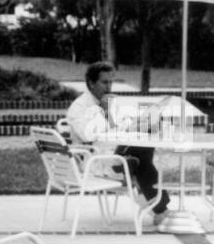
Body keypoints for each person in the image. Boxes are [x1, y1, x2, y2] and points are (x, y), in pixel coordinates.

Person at [66, 61, 170, 225]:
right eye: (104, 82)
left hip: (114, 155)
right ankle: (161, 209)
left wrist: (143, 123)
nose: (109, 87)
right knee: (141, 155)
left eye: (111, 82)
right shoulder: (79, 107)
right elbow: (88, 135)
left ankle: (159, 208)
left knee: (142, 151)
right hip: (96, 162)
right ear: (91, 83)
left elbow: (122, 125)